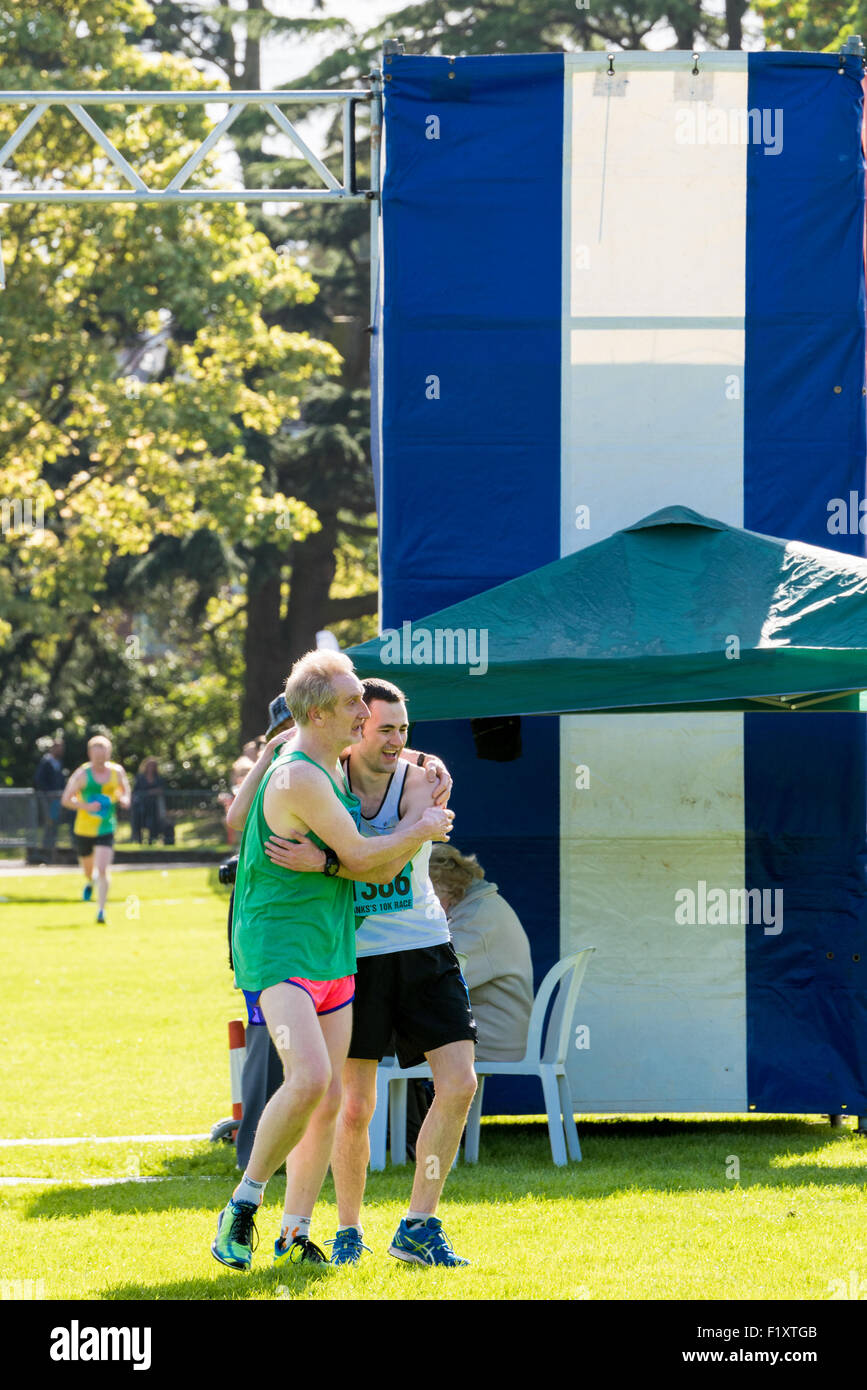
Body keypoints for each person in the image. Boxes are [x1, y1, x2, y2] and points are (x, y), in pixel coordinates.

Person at [211, 650, 453, 1274]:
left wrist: (423, 768)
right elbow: (366, 856)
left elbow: (239, 817)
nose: (364, 713)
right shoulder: (304, 777)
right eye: (352, 703)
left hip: (333, 947)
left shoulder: (324, 761)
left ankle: (295, 1231)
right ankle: (245, 1201)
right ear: (319, 714)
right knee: (313, 1080)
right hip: (278, 950)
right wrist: (424, 826)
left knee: (323, 1101)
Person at [268, 677, 477, 1268]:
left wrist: (327, 861)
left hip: (424, 946)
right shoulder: (321, 778)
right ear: (355, 729)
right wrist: (340, 857)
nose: (397, 740)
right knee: (354, 1106)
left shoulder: (420, 779)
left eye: (404, 730)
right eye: (385, 728)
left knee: (459, 1083)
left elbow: (383, 869)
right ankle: (349, 1229)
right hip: (353, 958)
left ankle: (418, 1224)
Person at [429, 845, 534, 1062]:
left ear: (443, 886)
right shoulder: (482, 906)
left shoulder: (477, 918)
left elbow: (437, 981)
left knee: (381, 1043)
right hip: (495, 1027)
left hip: (495, 1038)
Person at [60, 735, 131, 924]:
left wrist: (124, 799)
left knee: (102, 868)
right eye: (97, 756)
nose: (100, 760)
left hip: (106, 827)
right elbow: (66, 800)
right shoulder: (82, 775)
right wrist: (86, 806)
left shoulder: (117, 772)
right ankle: (89, 882)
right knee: (88, 870)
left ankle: (101, 910)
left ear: (109, 753)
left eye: (104, 755)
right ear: (90, 754)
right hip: (84, 829)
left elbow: (125, 790)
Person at [33, 738, 66, 862]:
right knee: (49, 822)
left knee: (54, 822)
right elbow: (39, 780)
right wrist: (48, 793)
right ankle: (46, 848)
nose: (60, 750)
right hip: (48, 799)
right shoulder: (46, 762)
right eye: (58, 747)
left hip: (56, 799)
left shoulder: (59, 762)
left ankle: (51, 846)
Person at [131, 757, 167, 845]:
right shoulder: (140, 778)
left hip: (154, 805)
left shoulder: (158, 778)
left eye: (153, 765)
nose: (151, 767)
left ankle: (151, 840)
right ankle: (139, 840)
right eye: (149, 765)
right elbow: (135, 791)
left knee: (152, 823)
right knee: (139, 822)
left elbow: (162, 790)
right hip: (140, 805)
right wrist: (149, 792)